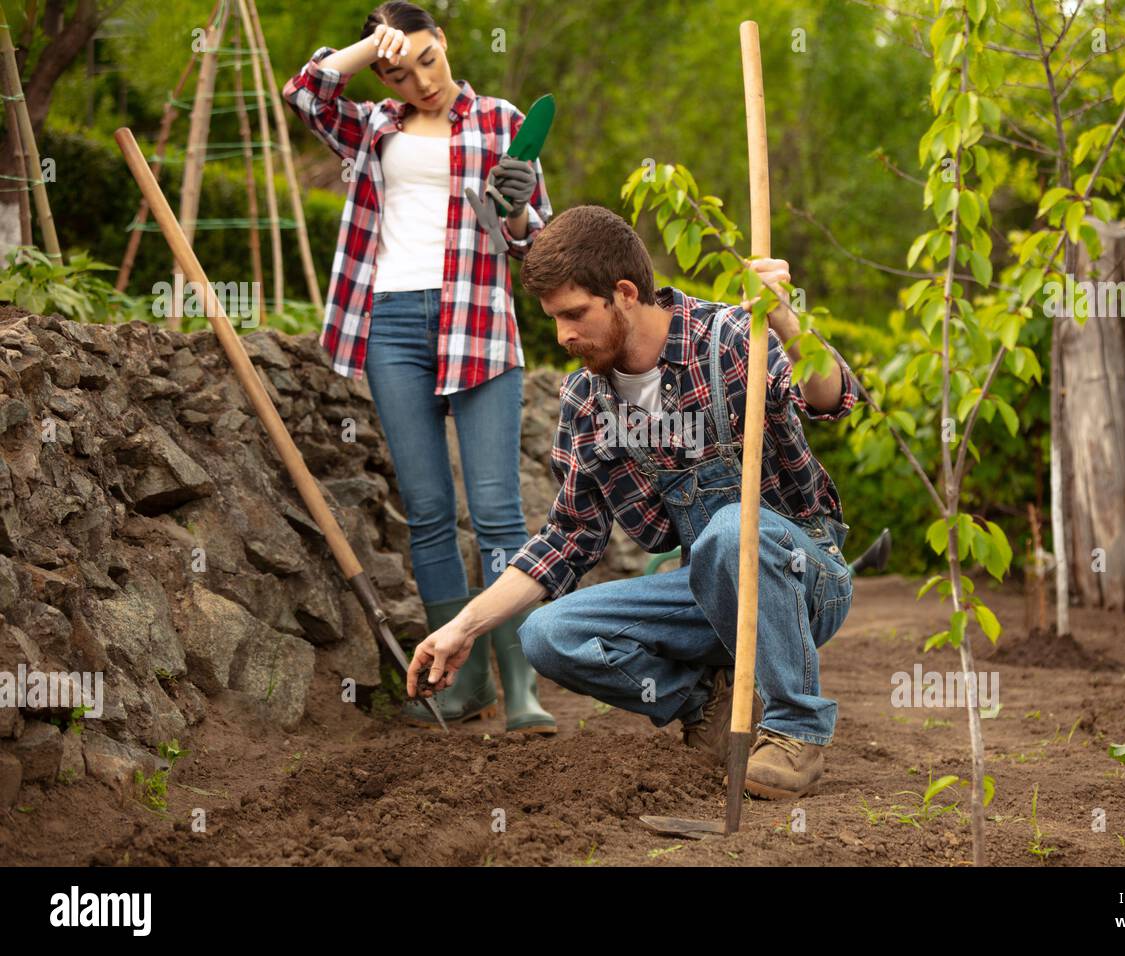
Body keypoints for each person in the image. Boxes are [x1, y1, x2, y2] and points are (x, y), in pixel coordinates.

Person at [407, 205, 858, 798]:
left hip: (804, 580)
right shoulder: (587, 401)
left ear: (623, 292)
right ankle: (706, 704)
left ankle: (795, 730)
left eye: (574, 314)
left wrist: (787, 324)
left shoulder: (727, 338)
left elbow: (832, 398)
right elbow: (565, 541)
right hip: (706, 592)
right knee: (547, 633)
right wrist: (463, 628)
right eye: (553, 319)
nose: (563, 335)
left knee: (729, 529)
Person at [283, 1, 556, 733]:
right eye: (400, 73)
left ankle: (522, 688)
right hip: (391, 323)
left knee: (498, 516)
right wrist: (375, 43)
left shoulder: (500, 119)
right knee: (430, 516)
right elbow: (305, 90)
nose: (421, 81)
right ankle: (459, 686)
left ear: (445, 44)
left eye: (428, 59)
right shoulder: (374, 126)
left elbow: (537, 245)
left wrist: (523, 213)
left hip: (478, 324)